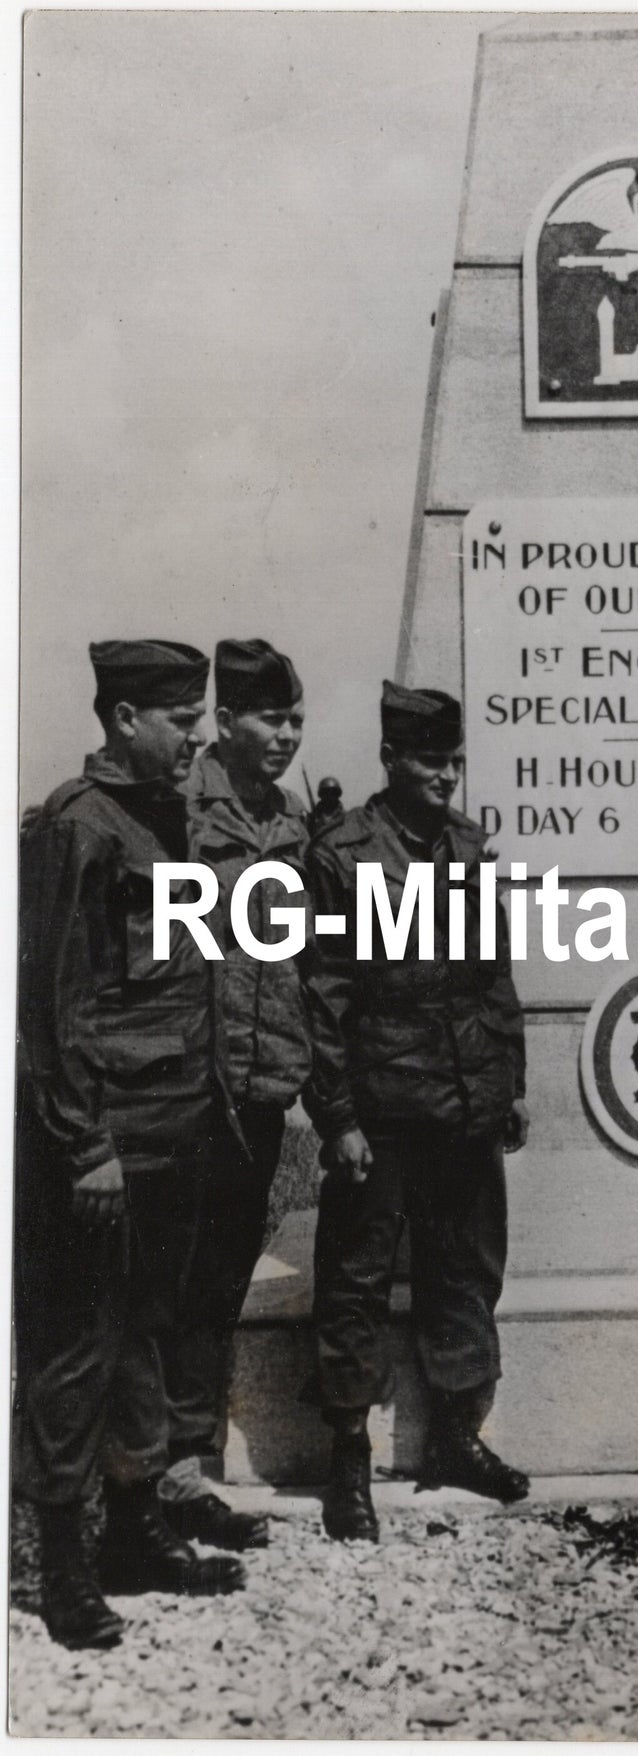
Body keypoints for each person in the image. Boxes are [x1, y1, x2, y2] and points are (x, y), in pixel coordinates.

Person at [15, 640, 245, 1652]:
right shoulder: (79, 829)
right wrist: (82, 1145)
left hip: (174, 1130)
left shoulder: (167, 819)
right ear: (122, 719)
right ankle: (61, 1563)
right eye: (179, 718)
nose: (196, 734)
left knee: (148, 1333)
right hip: (106, 1145)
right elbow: (52, 1007)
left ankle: (135, 1534)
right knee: (78, 1349)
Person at [305, 683, 530, 1541]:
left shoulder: (469, 849)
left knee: (465, 1271)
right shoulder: (344, 855)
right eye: (432, 761)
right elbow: (320, 995)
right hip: (383, 1109)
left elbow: (493, 977)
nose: (447, 775)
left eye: (455, 760)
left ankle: (454, 1441)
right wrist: (337, 1118)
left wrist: (507, 1081)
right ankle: (347, 1460)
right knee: (356, 1280)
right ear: (391, 760)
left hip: (465, 1102)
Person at [155, 639, 311, 1552]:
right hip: (186, 1087)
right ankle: (148, 1478)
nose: (286, 735)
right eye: (269, 717)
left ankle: (191, 1471)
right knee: (163, 1282)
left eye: (295, 719)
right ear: (225, 721)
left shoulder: (288, 820)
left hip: (257, 1093)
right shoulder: (181, 811)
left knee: (217, 1282)